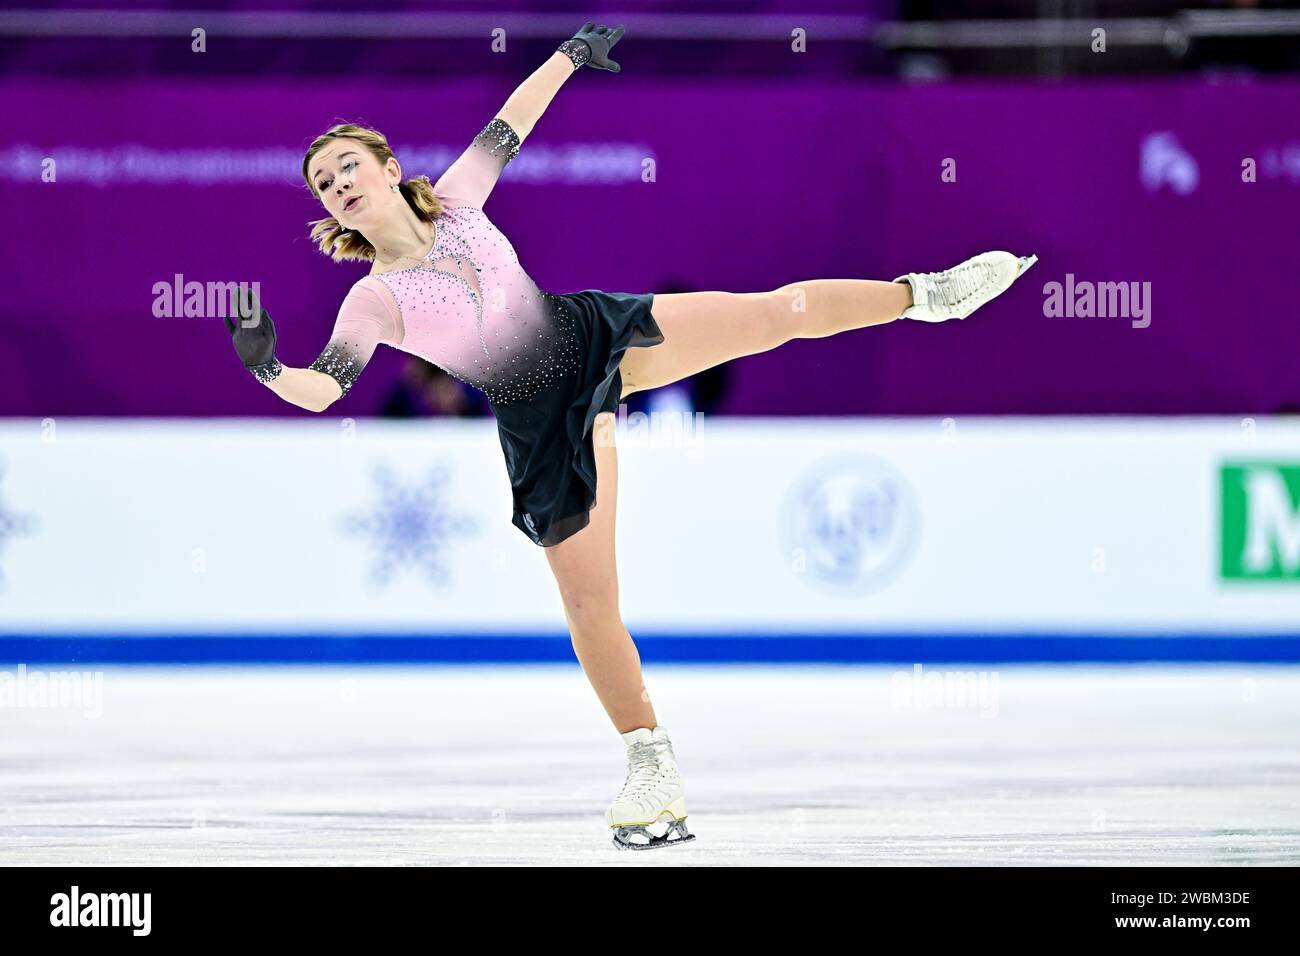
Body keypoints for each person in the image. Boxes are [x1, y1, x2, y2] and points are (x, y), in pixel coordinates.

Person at [224, 21, 1036, 850]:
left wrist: (568, 56)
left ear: (389, 169)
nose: (338, 185)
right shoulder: (372, 302)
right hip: (543, 418)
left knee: (767, 313)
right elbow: (325, 388)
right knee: (590, 605)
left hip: (589, 335)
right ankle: (650, 760)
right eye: (324, 185)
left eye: (347, 166)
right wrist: (268, 370)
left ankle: (927, 294)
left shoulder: (461, 198)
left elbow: (514, 119)